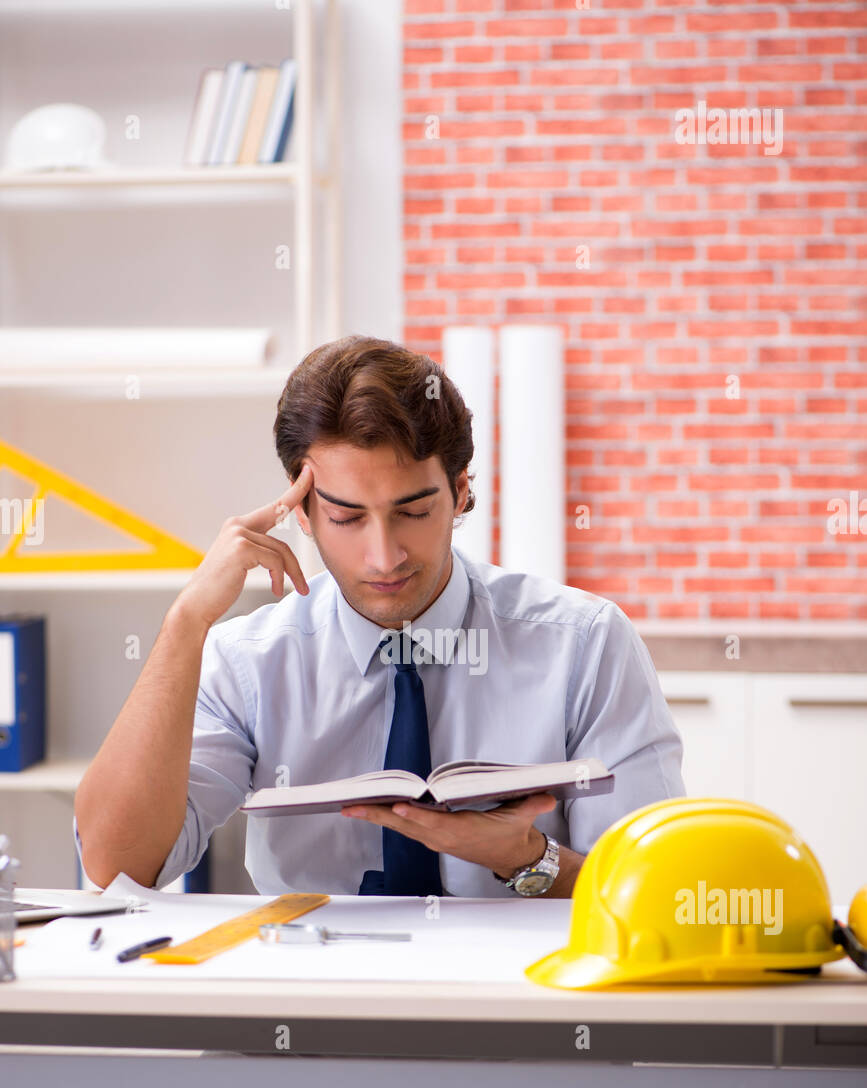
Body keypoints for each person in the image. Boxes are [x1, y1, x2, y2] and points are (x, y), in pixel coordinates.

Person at [74, 334, 685, 899]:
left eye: (413, 512)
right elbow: (117, 867)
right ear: (301, 509)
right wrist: (186, 623)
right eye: (346, 518)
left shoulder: (585, 645)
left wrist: (529, 857)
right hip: (312, 1002)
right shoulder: (248, 661)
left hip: (522, 1002)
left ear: (461, 491)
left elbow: (653, 896)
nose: (384, 555)